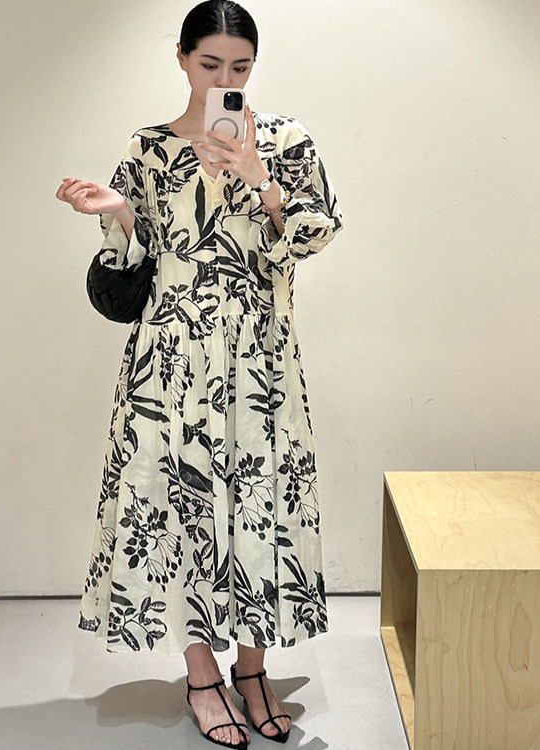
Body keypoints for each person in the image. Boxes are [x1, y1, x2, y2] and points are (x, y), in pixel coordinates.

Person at [55, 1, 343, 746]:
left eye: (239, 67)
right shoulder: (147, 149)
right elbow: (135, 262)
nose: (224, 80)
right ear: (182, 59)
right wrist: (119, 213)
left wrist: (259, 177)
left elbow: (316, 232)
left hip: (259, 359)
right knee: (175, 506)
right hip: (170, 361)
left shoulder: (285, 140)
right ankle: (202, 676)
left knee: (259, 505)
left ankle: (253, 669)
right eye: (210, 64)